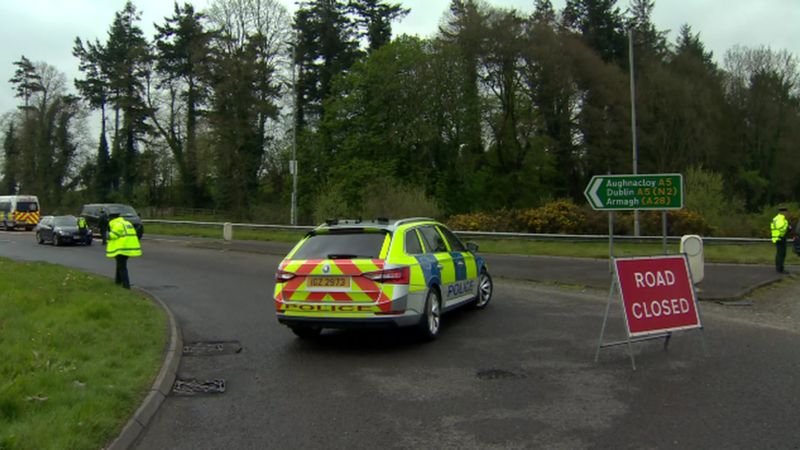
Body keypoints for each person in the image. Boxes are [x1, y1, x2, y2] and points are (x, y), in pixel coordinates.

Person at [106, 212, 142, 289]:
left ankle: (126, 286)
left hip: (122, 248)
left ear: (112, 219)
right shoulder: (126, 223)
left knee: (122, 267)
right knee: (120, 265)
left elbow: (113, 235)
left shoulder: (116, 224)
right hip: (129, 247)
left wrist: (107, 234)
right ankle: (118, 282)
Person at [770, 206, 790, 274]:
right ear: (783, 212)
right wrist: (788, 228)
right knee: (781, 254)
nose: (787, 213)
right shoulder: (781, 219)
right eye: (786, 212)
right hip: (781, 237)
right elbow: (781, 228)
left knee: (779, 253)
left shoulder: (776, 218)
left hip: (776, 237)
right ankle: (780, 269)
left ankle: (779, 268)